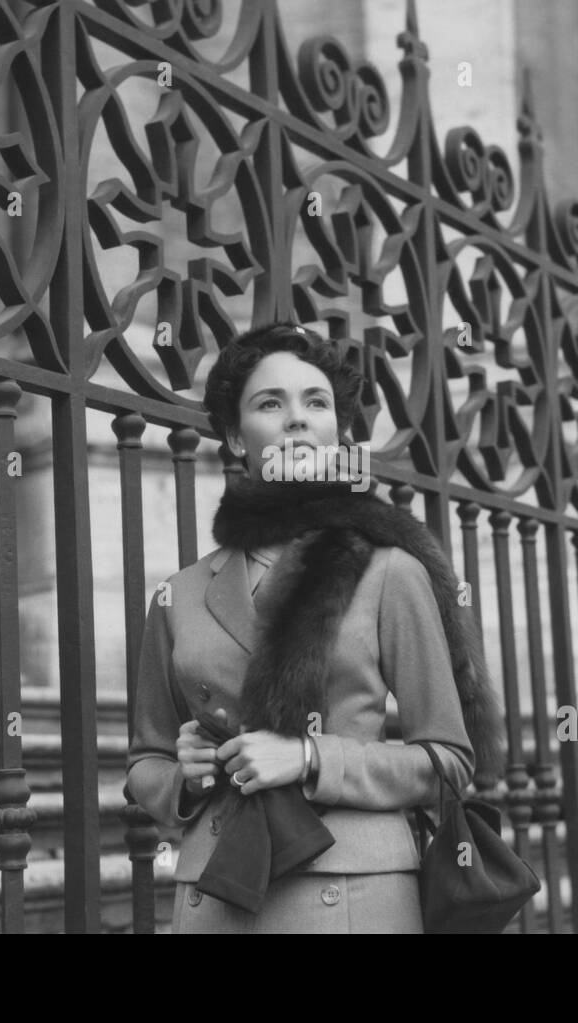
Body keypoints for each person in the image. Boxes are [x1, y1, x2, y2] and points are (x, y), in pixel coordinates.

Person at [126, 322, 502, 933]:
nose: (297, 419)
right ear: (235, 437)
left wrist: (307, 756)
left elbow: (449, 759)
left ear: (338, 432)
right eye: (270, 403)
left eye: (316, 403)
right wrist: (185, 779)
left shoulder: (390, 571)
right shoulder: (181, 593)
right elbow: (146, 757)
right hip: (214, 891)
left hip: (351, 891)